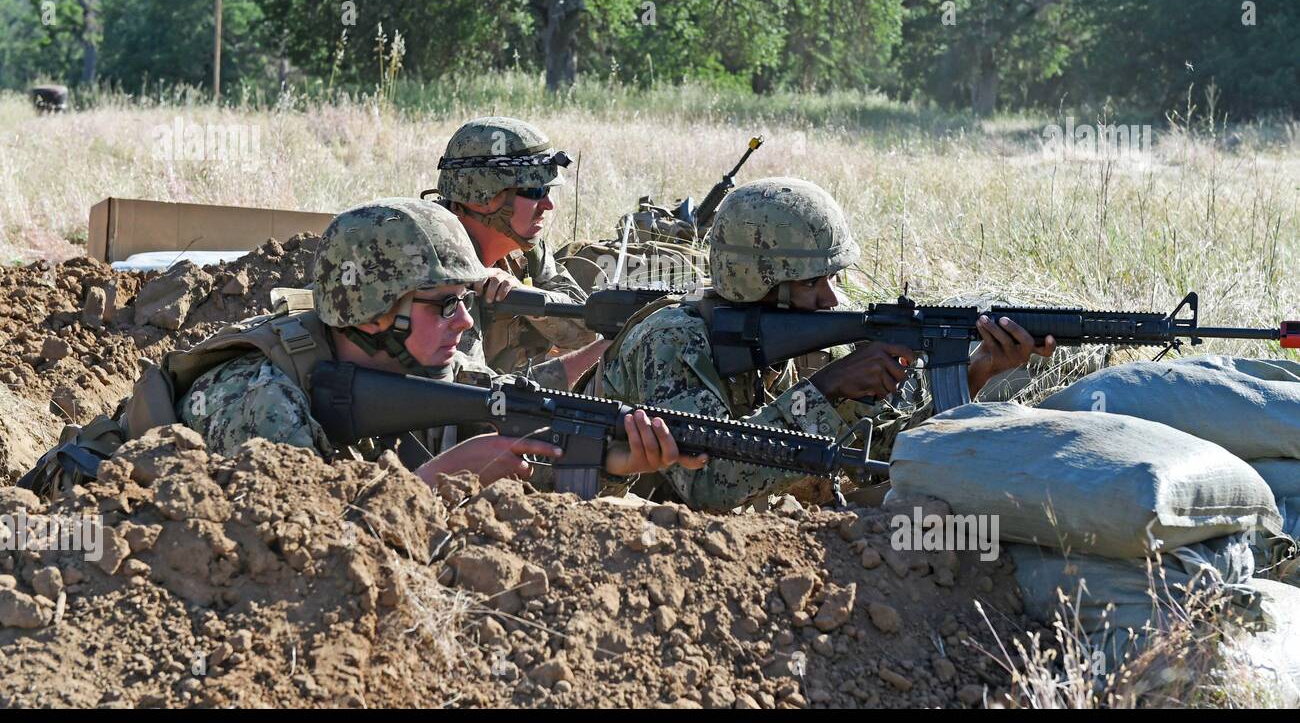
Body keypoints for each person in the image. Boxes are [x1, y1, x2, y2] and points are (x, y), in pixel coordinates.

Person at [178, 197, 705, 491]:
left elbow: (509, 401)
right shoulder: (261, 397)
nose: (464, 323)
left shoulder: (413, 368)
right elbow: (300, 544)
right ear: (377, 312)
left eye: (464, 301)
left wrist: (613, 458)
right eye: (444, 304)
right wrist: (438, 479)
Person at [600, 177, 1055, 510]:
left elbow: (867, 461)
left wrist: (978, 371)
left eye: (833, 277)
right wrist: (828, 388)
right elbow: (712, 484)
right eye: (812, 282)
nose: (832, 298)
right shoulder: (673, 340)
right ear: (761, 284)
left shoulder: (779, 343)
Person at [428, 116, 600, 388]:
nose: (549, 205)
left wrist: (528, 296)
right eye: (535, 190)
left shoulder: (523, 249)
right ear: (484, 197)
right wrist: (597, 356)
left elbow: (585, 329)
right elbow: (473, 396)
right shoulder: (439, 269)